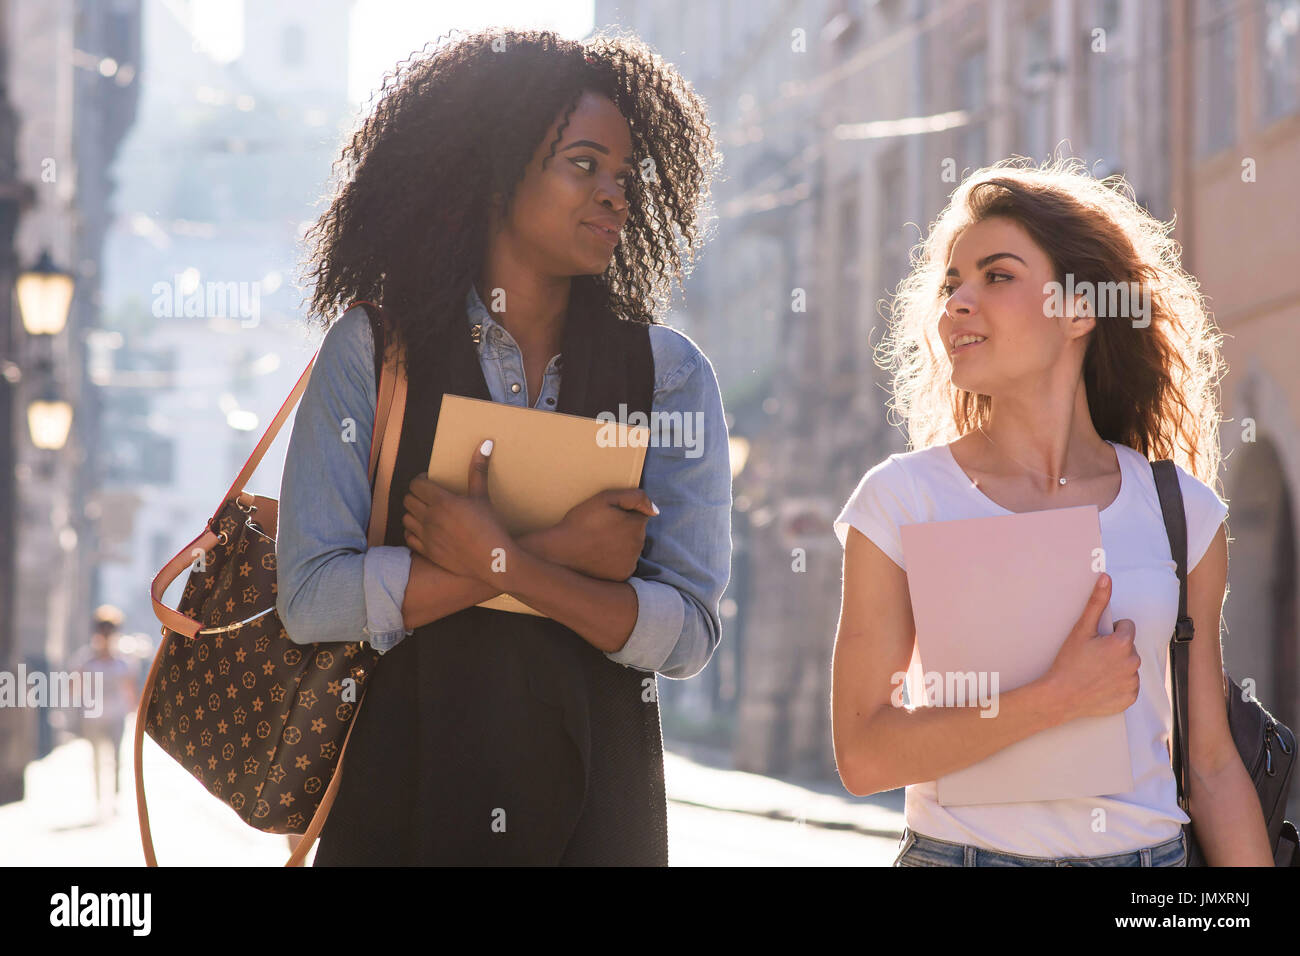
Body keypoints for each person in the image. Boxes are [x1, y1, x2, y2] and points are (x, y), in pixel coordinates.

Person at [275, 28, 730, 864]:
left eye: (626, 176)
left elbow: (691, 632)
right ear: (493, 170)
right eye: (584, 164)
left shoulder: (668, 376)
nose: (615, 196)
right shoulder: (374, 355)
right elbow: (310, 599)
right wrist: (558, 553)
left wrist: (507, 563)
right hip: (402, 806)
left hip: (604, 818)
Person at [831, 157, 1273, 867]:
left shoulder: (1181, 512)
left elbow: (1213, 765)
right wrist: (1056, 697)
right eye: (951, 285)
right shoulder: (901, 501)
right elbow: (864, 755)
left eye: (995, 276)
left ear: (1079, 308)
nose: (956, 303)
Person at [69, 606, 137, 820]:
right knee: (97, 758)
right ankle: (99, 799)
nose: (106, 637)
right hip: (93, 717)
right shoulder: (86, 660)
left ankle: (114, 798)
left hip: (116, 715)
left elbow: (130, 688)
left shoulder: (123, 661)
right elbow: (74, 686)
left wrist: (134, 710)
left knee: (117, 758)